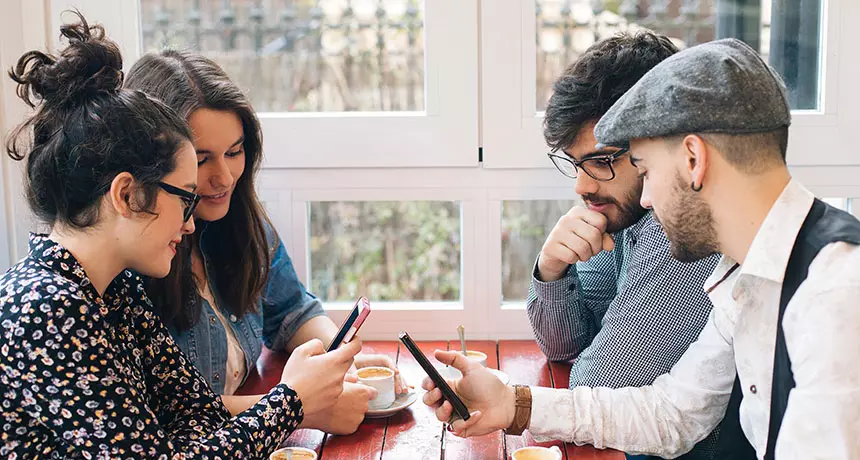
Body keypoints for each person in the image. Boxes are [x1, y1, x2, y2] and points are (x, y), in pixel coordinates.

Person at [423, 38, 860, 459]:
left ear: (693, 160)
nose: (647, 200)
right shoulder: (746, 269)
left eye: (645, 169)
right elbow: (676, 412)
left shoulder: (835, 294)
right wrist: (512, 403)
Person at [0, 14, 364, 458]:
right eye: (185, 198)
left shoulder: (117, 290)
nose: (191, 223)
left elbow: (191, 415)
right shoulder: (46, 306)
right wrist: (291, 402)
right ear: (128, 194)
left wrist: (299, 395)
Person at [124, 50, 402, 433]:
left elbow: (292, 312)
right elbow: (164, 414)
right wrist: (298, 407)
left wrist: (339, 362)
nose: (223, 177)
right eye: (202, 160)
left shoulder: (240, 225)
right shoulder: (131, 263)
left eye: (235, 152)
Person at [531, 31, 719, 460]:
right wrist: (551, 269)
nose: (581, 185)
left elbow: (596, 387)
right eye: (576, 163)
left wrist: (518, 403)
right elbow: (565, 346)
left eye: (600, 160)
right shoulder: (625, 214)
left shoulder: (681, 232)